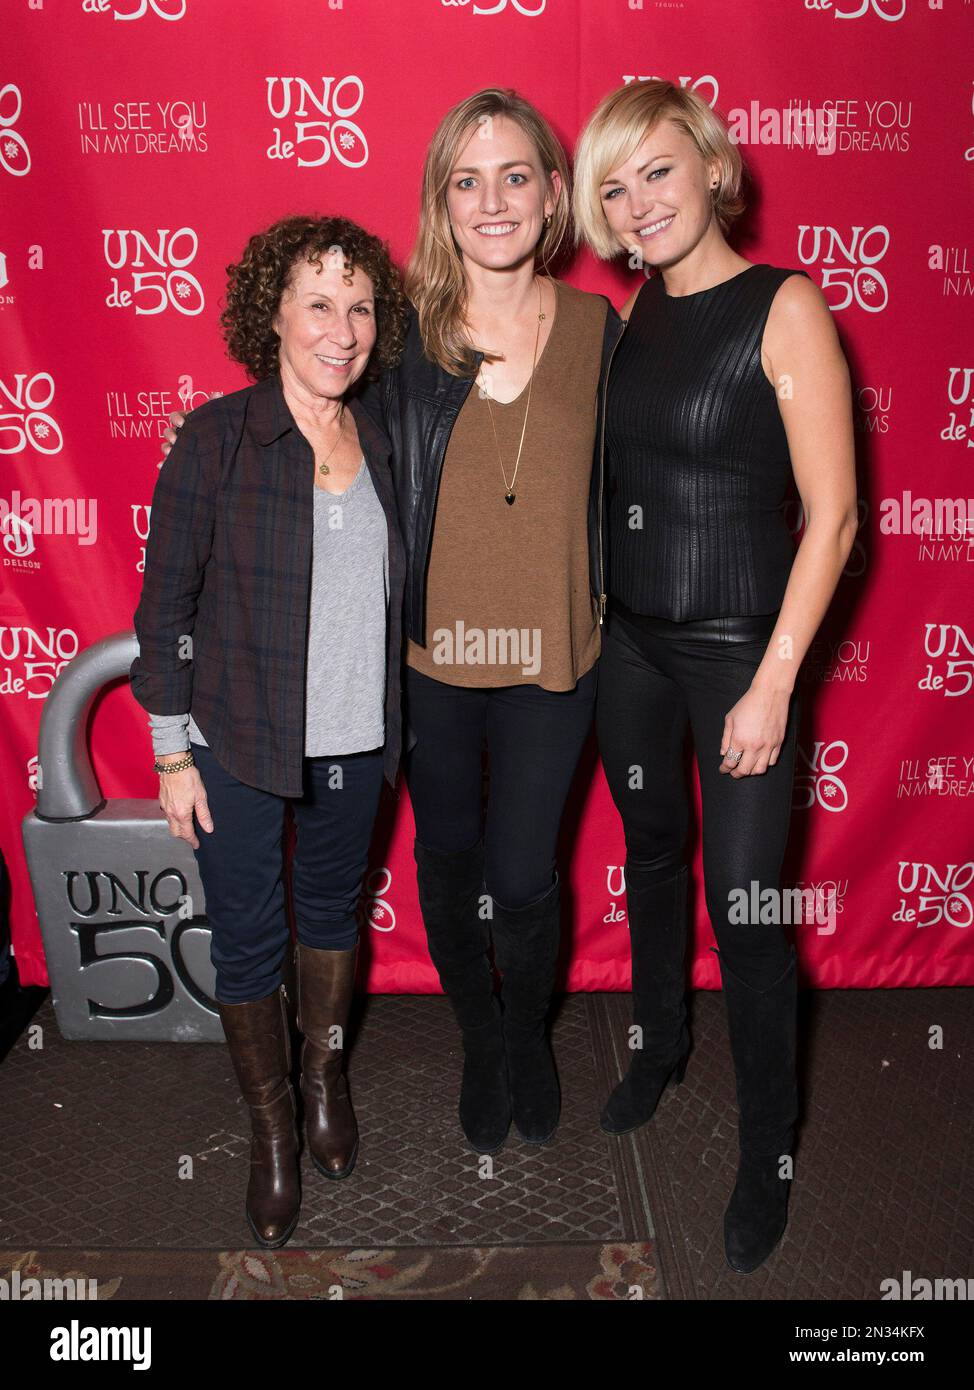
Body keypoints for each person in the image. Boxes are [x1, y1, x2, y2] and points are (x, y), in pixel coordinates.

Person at [163, 91, 624, 1157]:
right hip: (429, 663)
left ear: (553, 193)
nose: (492, 200)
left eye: (515, 175)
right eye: (466, 180)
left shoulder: (600, 331)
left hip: (555, 660)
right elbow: (313, 433)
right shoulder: (401, 331)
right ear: (439, 200)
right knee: (448, 865)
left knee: (525, 877)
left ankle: (526, 1036)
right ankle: (479, 1041)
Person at [572, 79, 858, 1273]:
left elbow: (832, 516)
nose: (637, 204)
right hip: (630, 645)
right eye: (612, 188)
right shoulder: (633, 312)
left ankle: (766, 1151)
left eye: (655, 171)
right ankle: (657, 1044)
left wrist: (773, 681)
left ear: (709, 163)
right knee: (649, 850)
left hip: (739, 649)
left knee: (745, 910)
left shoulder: (783, 307)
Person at [131, 214, 408, 1248]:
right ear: (274, 316)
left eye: (360, 307)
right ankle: (273, 1131)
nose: (341, 330)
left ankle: (324, 1076)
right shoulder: (215, 439)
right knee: (249, 941)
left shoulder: (383, 433)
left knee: (331, 916)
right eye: (318, 304)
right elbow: (165, 609)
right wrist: (171, 752)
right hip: (236, 739)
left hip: (357, 737)